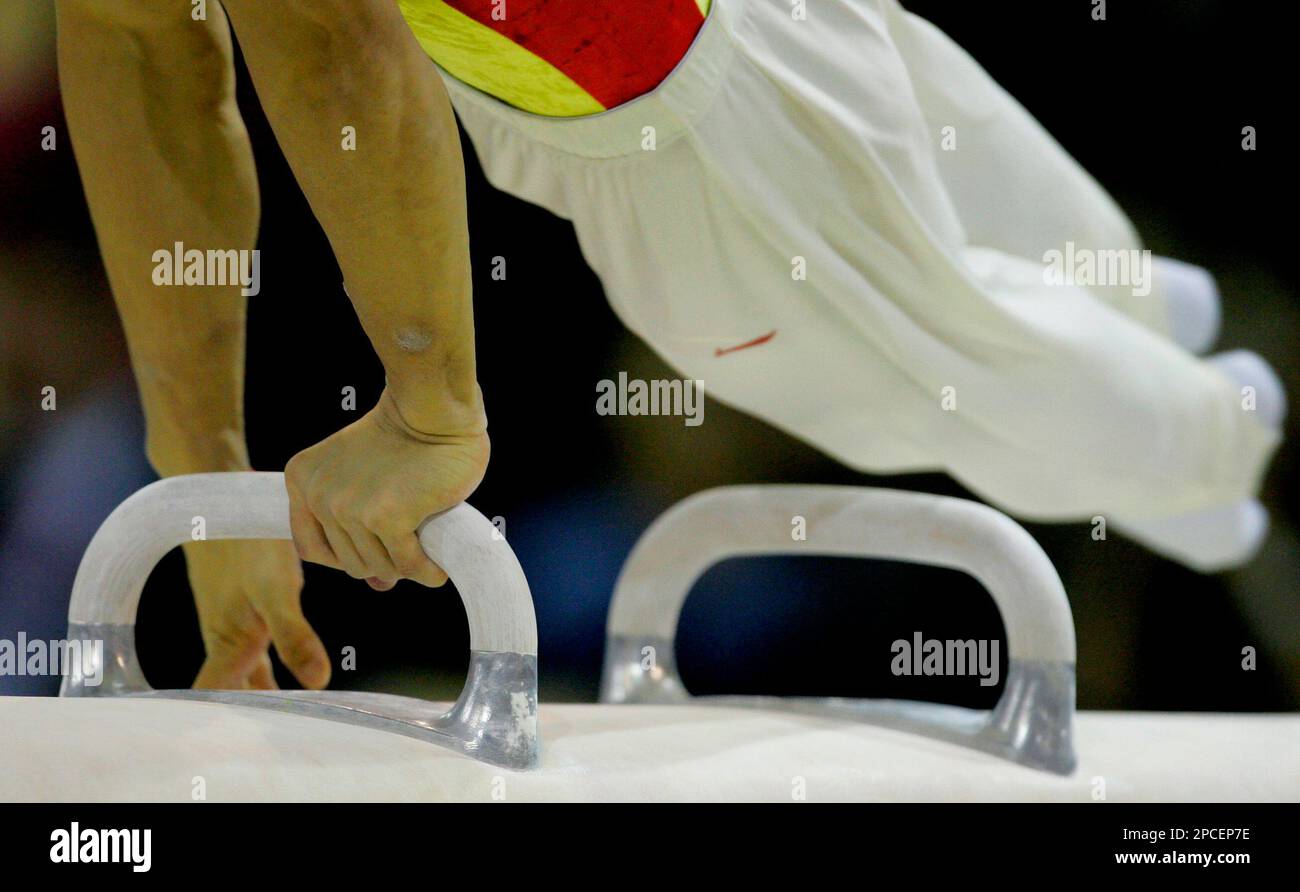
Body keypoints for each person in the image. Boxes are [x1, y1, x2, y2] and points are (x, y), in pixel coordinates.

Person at [55, 0, 1284, 691]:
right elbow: (141, 50)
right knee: (997, 218)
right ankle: (1148, 317)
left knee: (947, 391)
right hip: (738, 40)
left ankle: (1221, 453)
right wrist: (203, 467)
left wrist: (428, 405)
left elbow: (329, 43)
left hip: (680, 127)